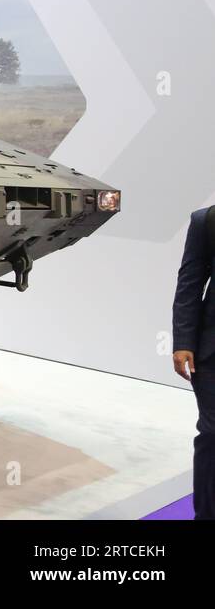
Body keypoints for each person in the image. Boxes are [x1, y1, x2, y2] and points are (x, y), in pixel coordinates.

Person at [173, 206, 215, 520]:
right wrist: (183, 342)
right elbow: (190, 283)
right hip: (211, 353)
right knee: (213, 438)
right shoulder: (207, 221)